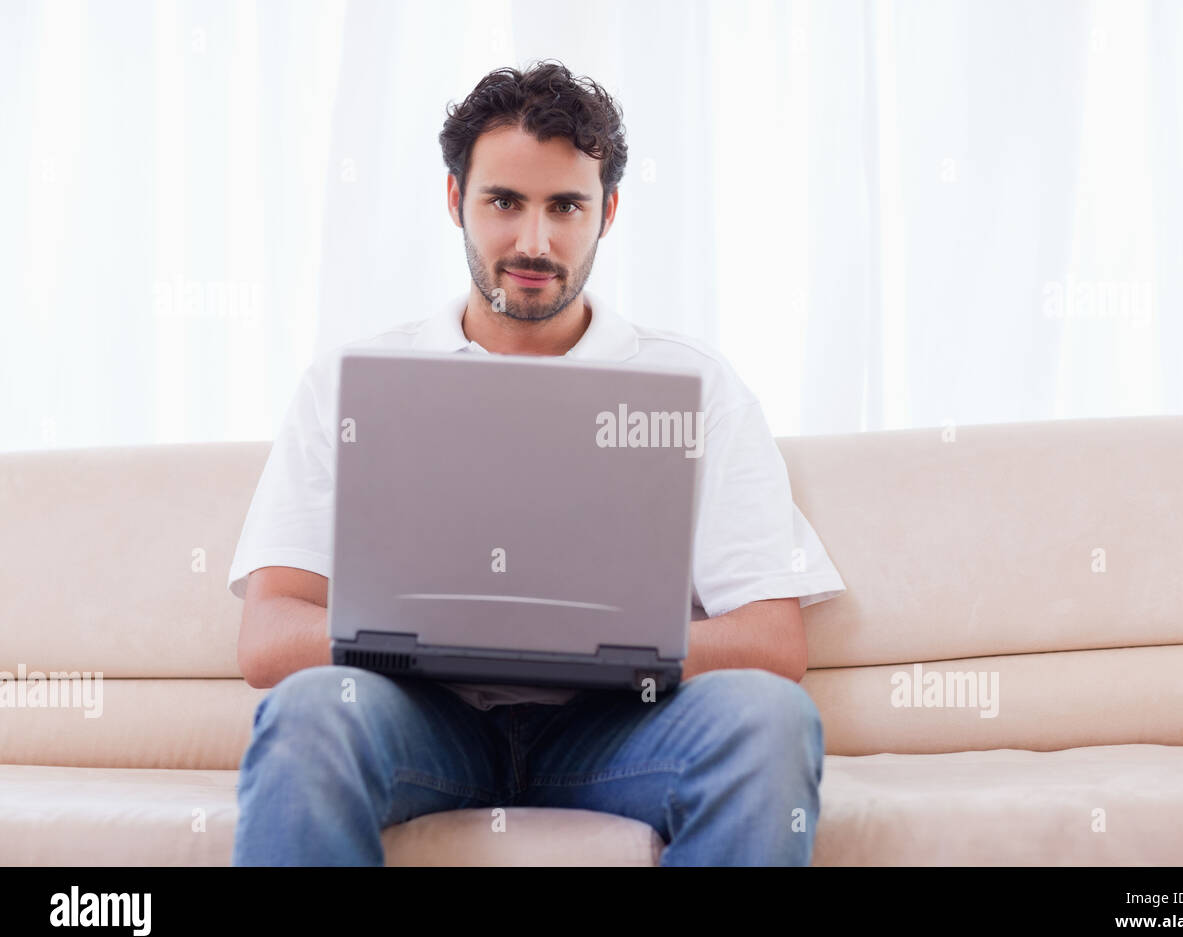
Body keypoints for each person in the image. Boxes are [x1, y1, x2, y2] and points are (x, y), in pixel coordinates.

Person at [228, 60, 847, 866]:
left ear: (608, 212)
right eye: (504, 202)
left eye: (565, 206)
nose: (534, 241)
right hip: (419, 723)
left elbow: (772, 641)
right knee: (312, 712)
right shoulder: (348, 384)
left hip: (618, 732)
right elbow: (269, 637)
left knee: (770, 718)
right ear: (456, 200)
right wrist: (447, 641)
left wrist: (584, 652)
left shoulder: (697, 388)